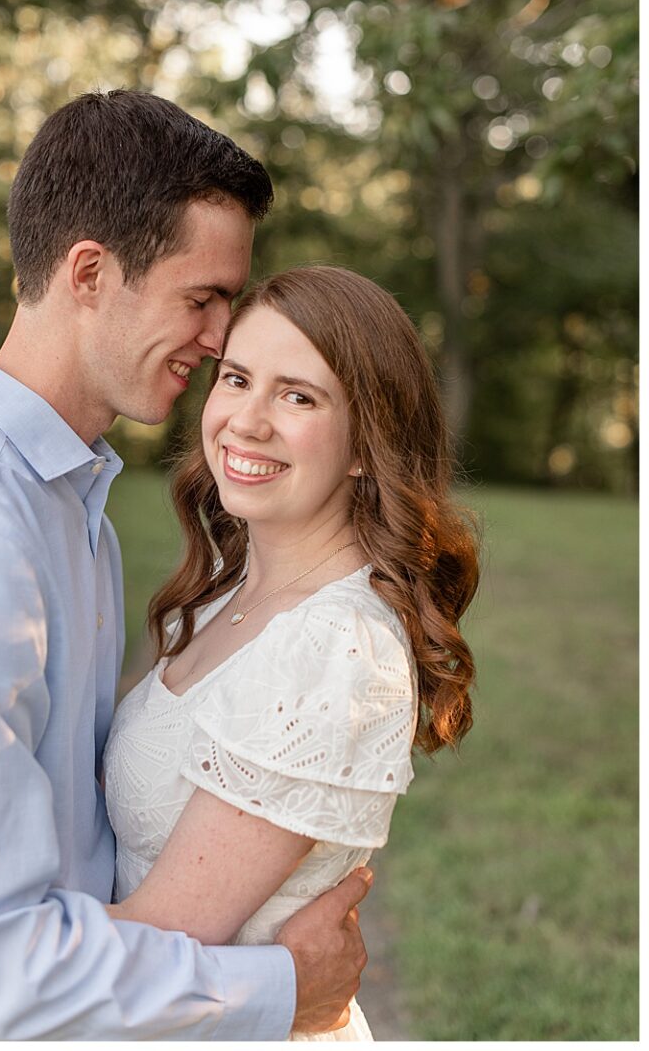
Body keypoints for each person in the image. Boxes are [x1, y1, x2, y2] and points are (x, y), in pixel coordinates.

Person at [0, 90, 371, 1040]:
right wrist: (279, 990)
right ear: (91, 272)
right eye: (202, 298)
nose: (222, 336)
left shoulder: (75, 511)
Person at [102, 266, 480, 1041]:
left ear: (364, 448)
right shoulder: (224, 592)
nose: (246, 420)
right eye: (237, 378)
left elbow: (161, 938)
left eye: (298, 396)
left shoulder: (335, 647)